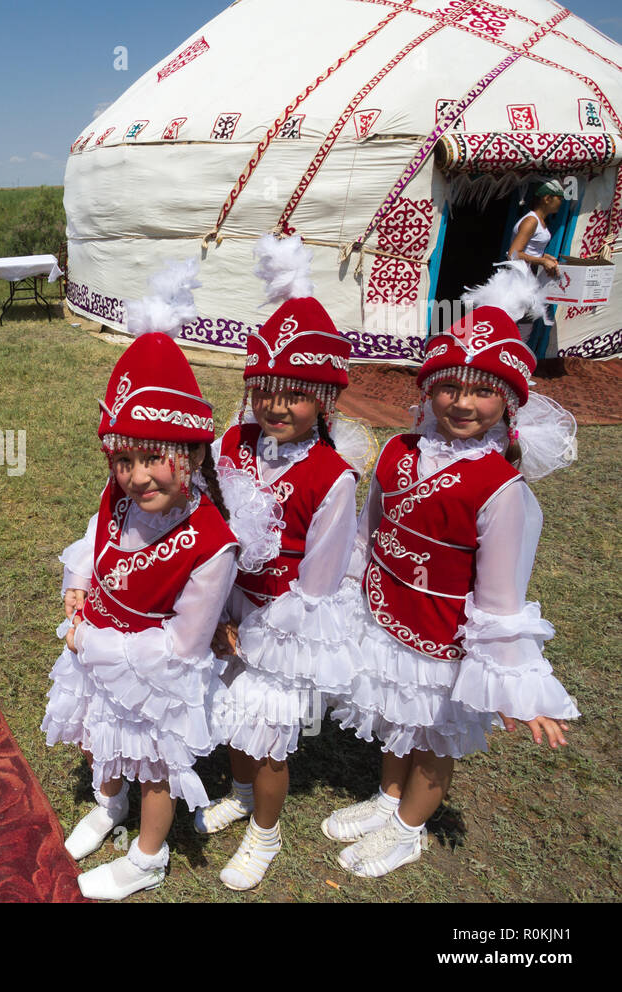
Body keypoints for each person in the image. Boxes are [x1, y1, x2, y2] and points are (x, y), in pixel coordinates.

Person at [323, 303, 579, 879]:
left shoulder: (501, 488)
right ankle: (388, 799)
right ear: (429, 391)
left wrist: (518, 682)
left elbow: (501, 597)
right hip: (389, 615)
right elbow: (365, 537)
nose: (463, 403)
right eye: (450, 387)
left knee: (435, 734)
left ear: (508, 403)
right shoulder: (395, 451)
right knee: (395, 711)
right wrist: (347, 594)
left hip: (447, 638)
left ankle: (409, 828)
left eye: (483, 391)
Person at [41, 329, 239, 900]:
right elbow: (91, 543)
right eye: (125, 458)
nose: (137, 475)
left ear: (195, 455)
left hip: (152, 673)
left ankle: (149, 856)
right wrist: (77, 585)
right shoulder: (118, 496)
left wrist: (91, 646)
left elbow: (183, 645)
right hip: (93, 639)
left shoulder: (211, 544)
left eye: (155, 457)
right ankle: (109, 805)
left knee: (154, 766)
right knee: (94, 733)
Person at [198, 286, 361, 891]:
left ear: (324, 400)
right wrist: (214, 612)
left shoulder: (332, 478)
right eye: (265, 389)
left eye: (296, 394)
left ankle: (266, 832)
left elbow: (318, 582)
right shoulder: (232, 447)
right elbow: (207, 523)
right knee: (231, 716)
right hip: (227, 608)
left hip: (285, 624)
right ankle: (241, 796)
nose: (276, 405)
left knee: (267, 735)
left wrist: (258, 636)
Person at [508, 180, 565, 281]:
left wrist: (545, 256)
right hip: (518, 279)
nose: (561, 202)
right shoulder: (531, 221)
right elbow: (514, 254)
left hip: (529, 277)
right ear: (547, 199)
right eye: (559, 198)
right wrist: (542, 261)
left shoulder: (540, 221)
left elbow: (530, 250)